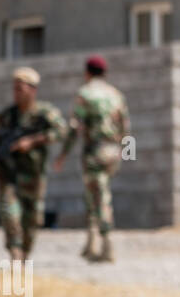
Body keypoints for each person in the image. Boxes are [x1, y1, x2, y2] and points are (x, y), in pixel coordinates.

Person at [0, 67, 67, 261]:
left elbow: (61, 132)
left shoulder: (44, 113)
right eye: (15, 89)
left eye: (20, 89)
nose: (16, 93)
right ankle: (14, 250)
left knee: (32, 220)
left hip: (34, 175)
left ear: (33, 90)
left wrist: (34, 141)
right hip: (8, 174)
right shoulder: (5, 116)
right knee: (8, 212)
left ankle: (24, 255)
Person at [54, 55, 130, 263]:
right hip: (113, 151)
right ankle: (91, 243)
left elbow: (74, 128)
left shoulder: (85, 94)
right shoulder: (116, 94)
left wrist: (62, 155)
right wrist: (125, 152)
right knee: (96, 194)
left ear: (87, 72)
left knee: (99, 196)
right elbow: (126, 127)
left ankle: (106, 246)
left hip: (94, 151)